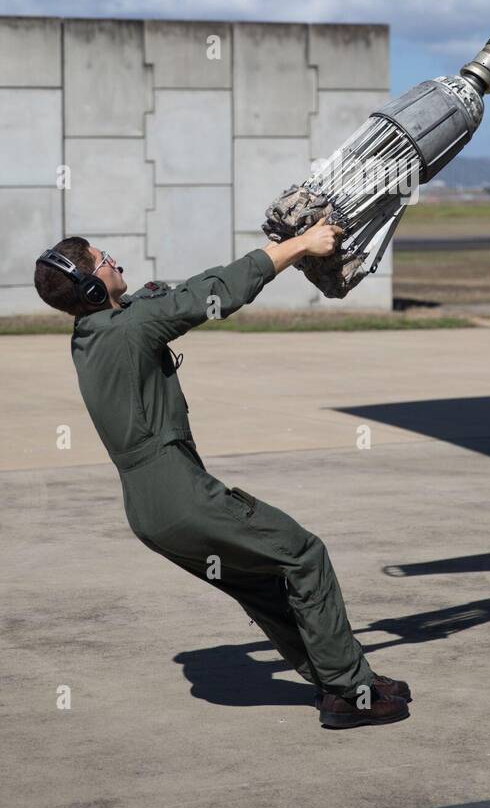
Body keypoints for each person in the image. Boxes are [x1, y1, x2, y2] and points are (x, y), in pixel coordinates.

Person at [34, 232, 411, 730]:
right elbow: (216, 291)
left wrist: (146, 294)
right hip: (181, 495)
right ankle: (351, 690)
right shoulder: (130, 329)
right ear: (88, 287)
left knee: (263, 584)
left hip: (148, 512)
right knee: (303, 554)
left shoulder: (91, 335)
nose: (114, 259)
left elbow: (161, 300)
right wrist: (301, 244)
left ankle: (338, 682)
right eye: (105, 260)